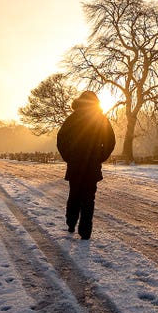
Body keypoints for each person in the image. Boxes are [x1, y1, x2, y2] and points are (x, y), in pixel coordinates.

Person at [56, 90, 116, 240]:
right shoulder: (101, 119)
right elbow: (110, 141)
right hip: (92, 166)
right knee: (89, 199)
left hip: (76, 164)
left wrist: (69, 156)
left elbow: (61, 140)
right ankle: (85, 231)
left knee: (74, 195)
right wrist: (100, 157)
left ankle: (71, 222)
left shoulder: (72, 118)